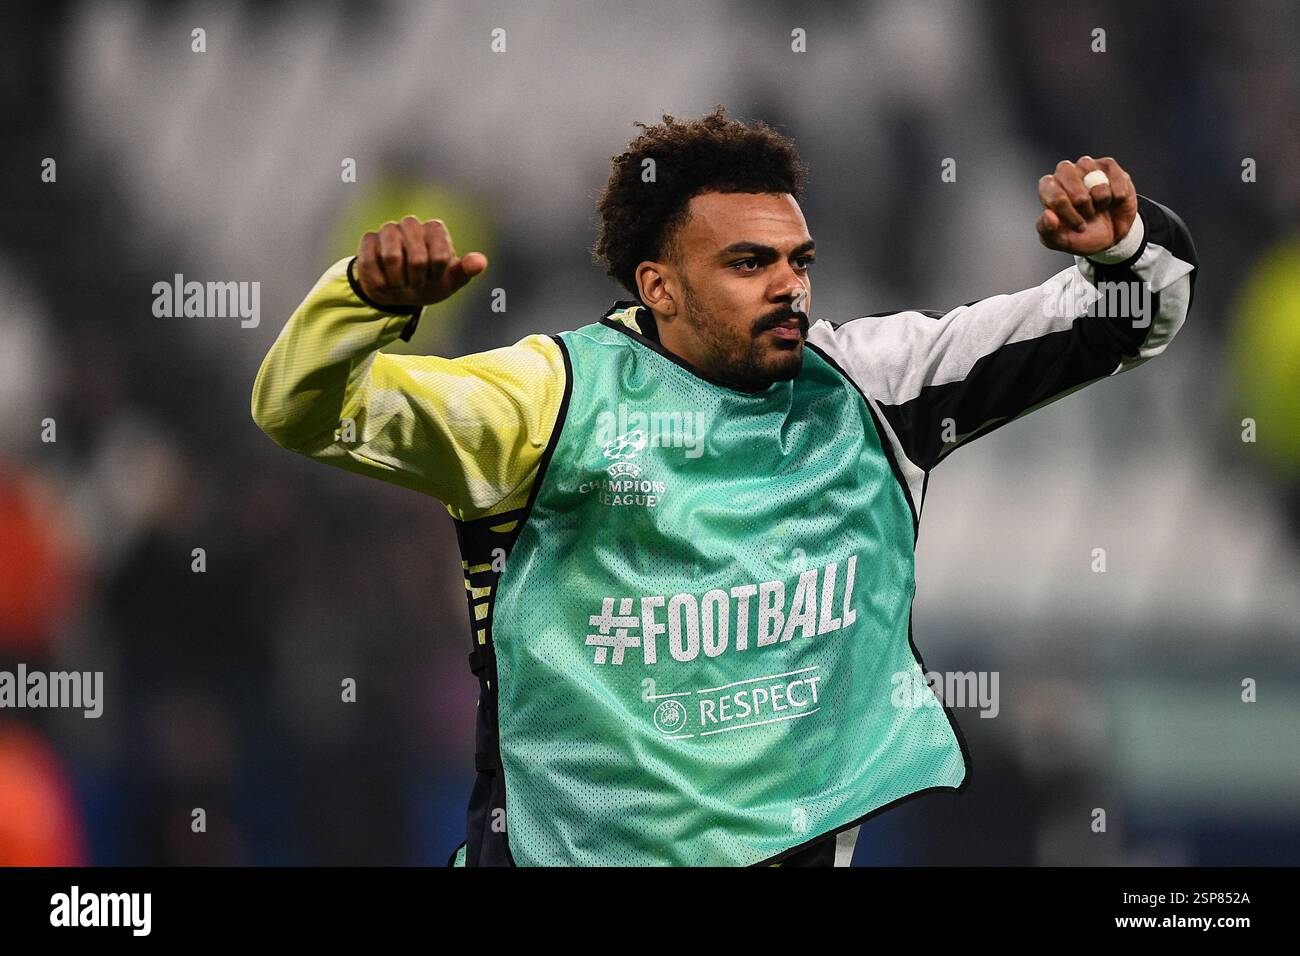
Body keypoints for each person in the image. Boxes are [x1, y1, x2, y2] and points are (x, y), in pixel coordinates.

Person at [250, 105, 1198, 866]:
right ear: (657, 287)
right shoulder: (546, 401)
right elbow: (302, 409)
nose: (789, 286)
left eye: (799, 261)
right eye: (749, 263)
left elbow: (1131, 319)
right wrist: (362, 305)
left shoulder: (876, 389)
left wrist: (1123, 248)